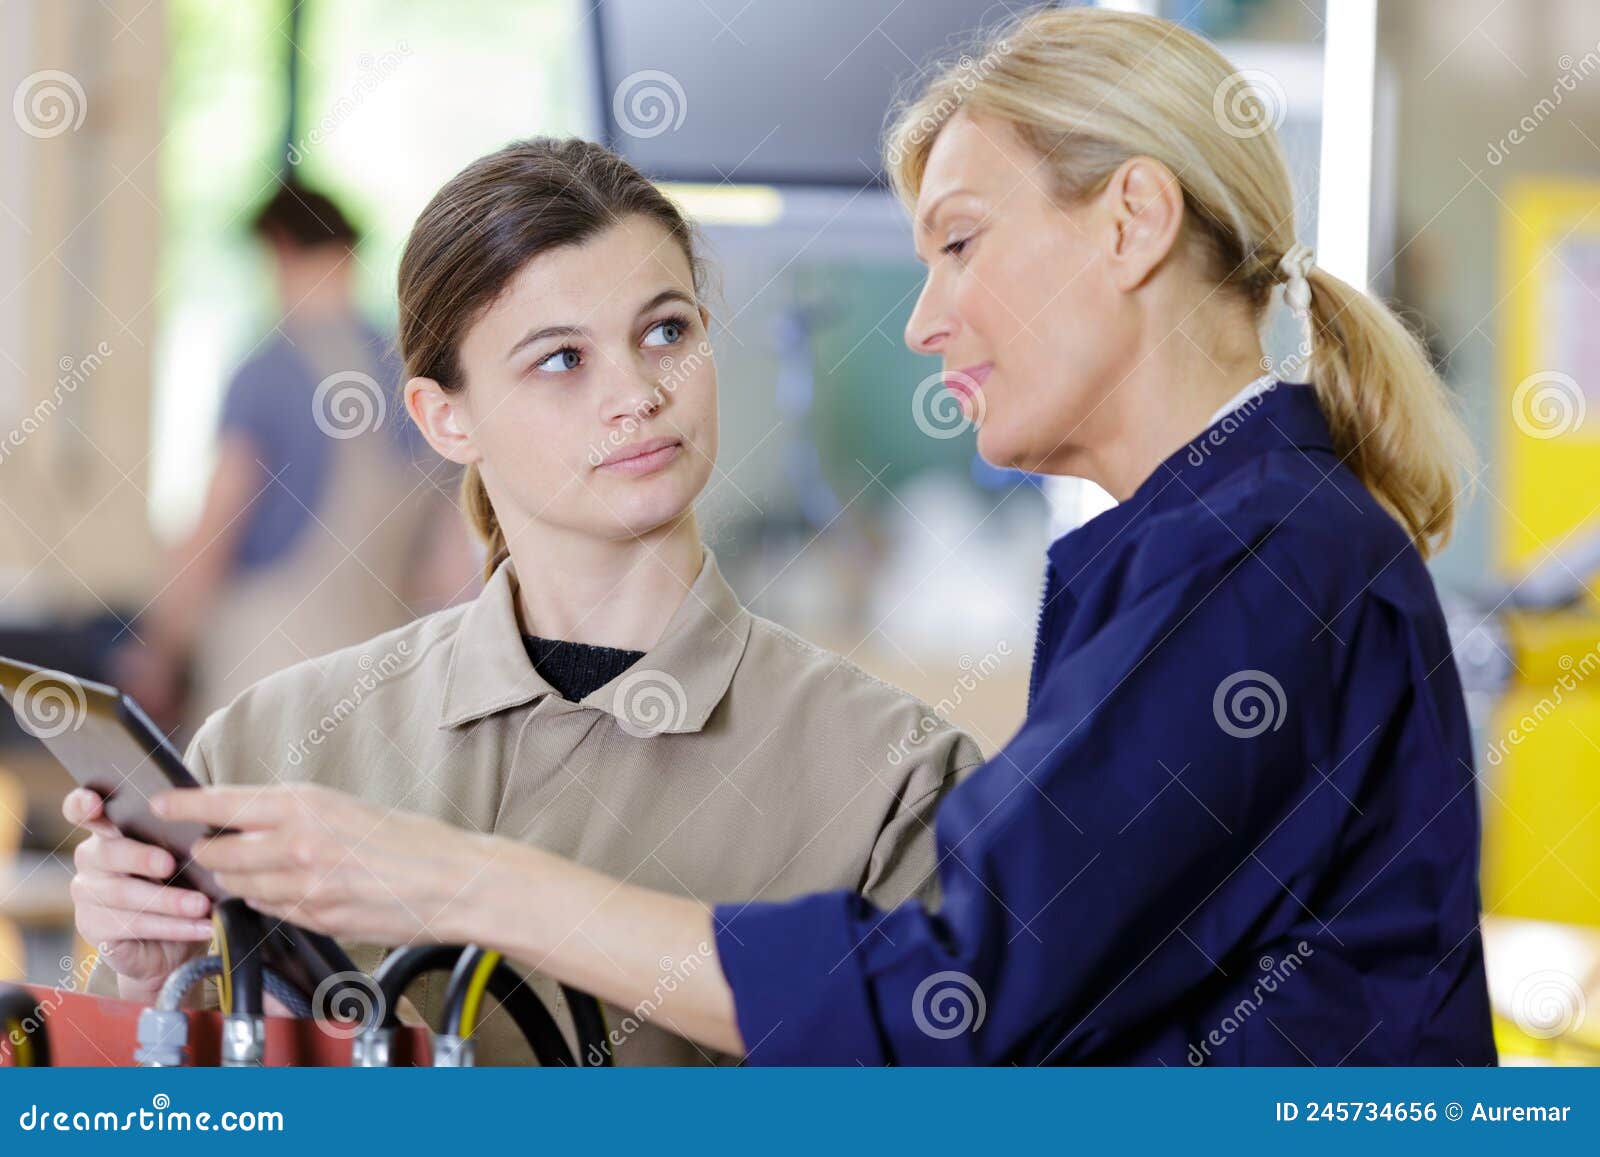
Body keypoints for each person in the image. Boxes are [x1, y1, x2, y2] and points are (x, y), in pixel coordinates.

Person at [146, 7, 1498, 1066]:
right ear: (445, 414)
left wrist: (473, 884)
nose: (923, 320)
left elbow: (949, 1005)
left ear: (1134, 221)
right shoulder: (1199, 552)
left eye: (959, 243)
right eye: (556, 360)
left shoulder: (1254, 563)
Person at [69, 139, 983, 1065]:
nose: (636, 393)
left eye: (666, 331)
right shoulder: (264, 750)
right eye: (561, 360)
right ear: (442, 418)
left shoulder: (896, 778)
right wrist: (158, 979)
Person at [109, 181, 478, 737]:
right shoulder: (422, 382)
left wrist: (157, 650)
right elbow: (451, 574)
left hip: (264, 686)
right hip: (380, 694)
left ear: (278, 246)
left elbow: (215, 532)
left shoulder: (269, 370)